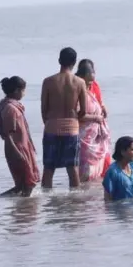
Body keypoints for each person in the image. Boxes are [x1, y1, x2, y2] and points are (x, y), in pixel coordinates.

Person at [40, 47, 88, 189]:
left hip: (51, 127)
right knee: (72, 169)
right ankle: (74, 203)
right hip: (71, 129)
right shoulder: (79, 82)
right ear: (74, 62)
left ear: (59, 61)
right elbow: (83, 111)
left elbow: (44, 109)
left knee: (49, 169)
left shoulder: (48, 81)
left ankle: (48, 203)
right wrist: (73, 121)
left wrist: (50, 123)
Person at [0, 76, 40, 197]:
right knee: (28, 184)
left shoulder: (9, 105)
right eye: (23, 91)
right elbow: (8, 134)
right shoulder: (10, 109)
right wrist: (17, 153)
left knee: (23, 185)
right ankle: (1, 200)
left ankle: (22, 207)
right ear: (16, 91)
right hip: (17, 148)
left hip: (21, 147)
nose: (24, 94)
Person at [76, 59, 111, 182]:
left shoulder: (94, 85)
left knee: (104, 163)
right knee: (85, 167)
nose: (91, 82)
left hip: (98, 132)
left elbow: (99, 101)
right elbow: (78, 114)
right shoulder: (77, 88)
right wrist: (96, 117)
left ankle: (97, 187)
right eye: (89, 78)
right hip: (85, 135)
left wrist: (102, 107)